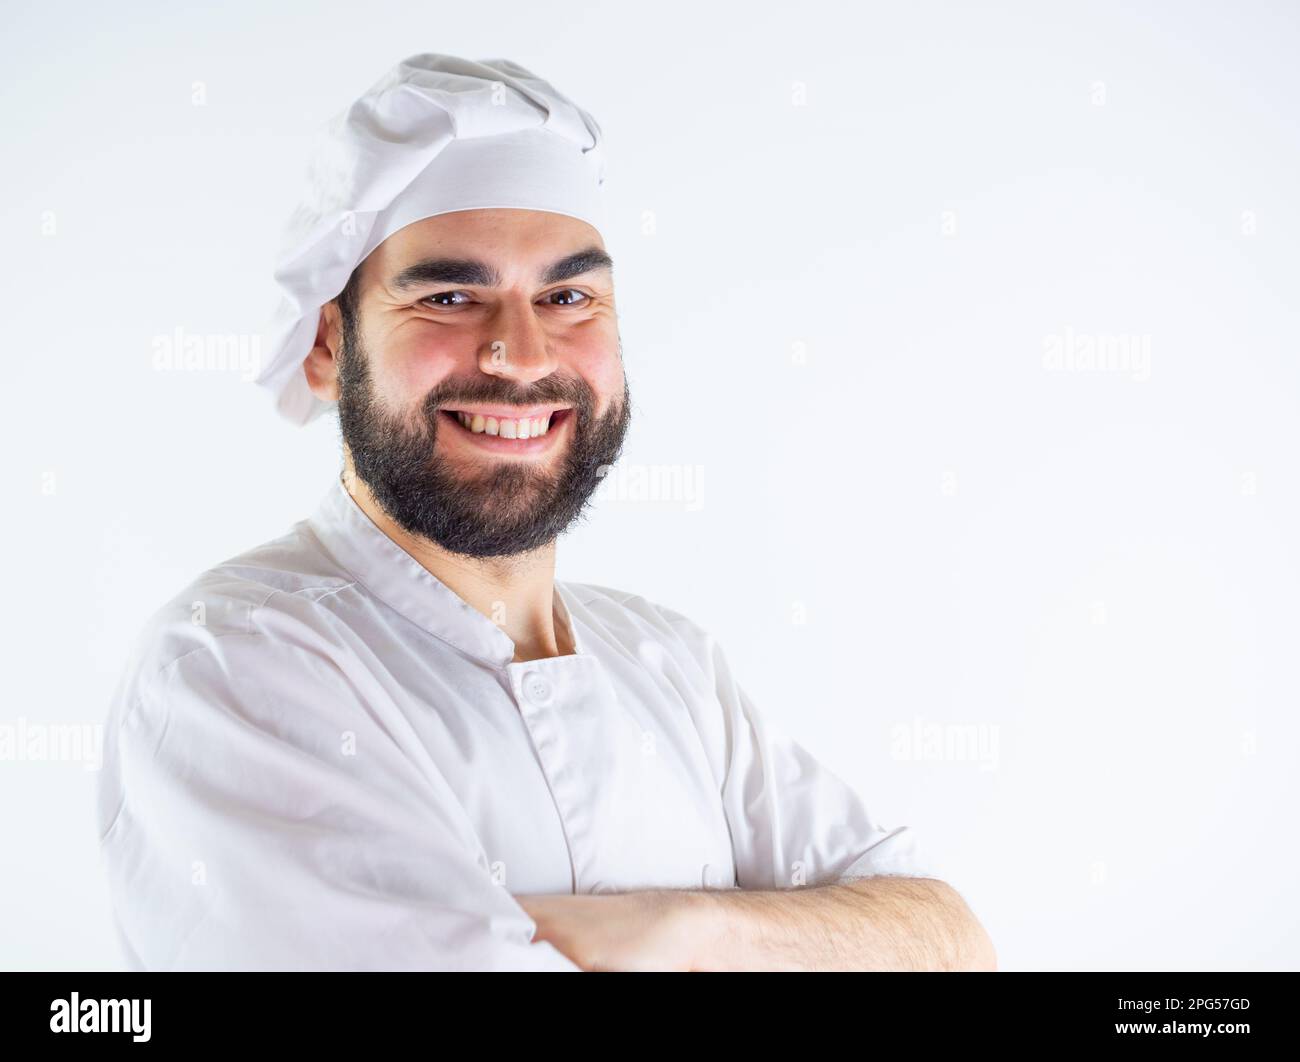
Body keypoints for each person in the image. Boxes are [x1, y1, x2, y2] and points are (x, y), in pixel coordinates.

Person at [95, 53, 995, 972]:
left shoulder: (671, 666)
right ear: (328, 346)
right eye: (449, 295)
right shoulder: (232, 665)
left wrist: (691, 931)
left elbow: (952, 942)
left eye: (567, 297)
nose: (521, 357)